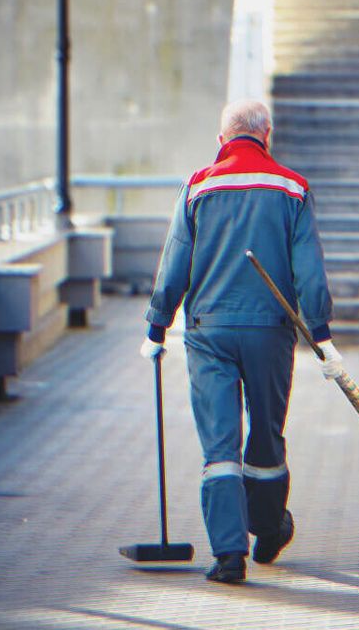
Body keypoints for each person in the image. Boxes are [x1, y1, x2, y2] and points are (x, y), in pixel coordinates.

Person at [139, 100, 345, 584]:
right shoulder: (293, 189)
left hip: (209, 333)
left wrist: (155, 328)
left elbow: (174, 265)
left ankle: (229, 555)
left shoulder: (197, 187)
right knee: (266, 436)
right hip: (270, 332)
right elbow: (310, 272)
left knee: (220, 446)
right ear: (266, 135)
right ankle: (270, 527)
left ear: (221, 140)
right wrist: (323, 336)